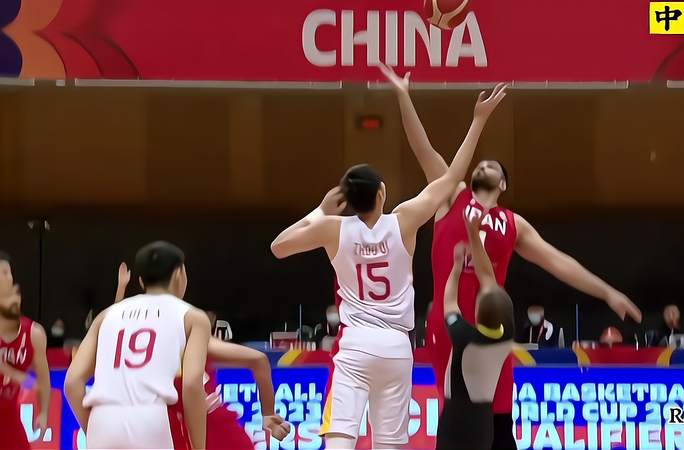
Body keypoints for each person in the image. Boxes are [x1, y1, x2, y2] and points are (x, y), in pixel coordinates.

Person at [379, 63, 642, 450]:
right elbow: (423, 148)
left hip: (493, 331)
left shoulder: (512, 223)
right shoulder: (451, 197)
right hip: (449, 322)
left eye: (493, 167)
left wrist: (607, 292)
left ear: (502, 184)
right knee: (458, 414)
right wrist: (404, 96)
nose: (483, 165)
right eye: (479, 165)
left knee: (500, 421)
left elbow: (558, 262)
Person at [271, 83, 506, 450]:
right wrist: (478, 121)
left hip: (355, 344)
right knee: (389, 444)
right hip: (396, 346)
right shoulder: (404, 221)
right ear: (381, 192)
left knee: (340, 439)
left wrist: (320, 211)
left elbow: (279, 246)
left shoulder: (333, 229)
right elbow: (450, 179)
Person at [112, 270, 290, 449]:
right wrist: (268, 415)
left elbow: (115, 325)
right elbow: (258, 360)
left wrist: (121, 290)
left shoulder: (144, 342)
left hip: (197, 430)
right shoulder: (187, 334)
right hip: (191, 429)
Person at [65, 242, 211, 450]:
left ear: (141, 281)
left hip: (103, 419)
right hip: (151, 419)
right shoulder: (192, 316)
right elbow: (192, 384)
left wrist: (94, 429)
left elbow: (72, 383)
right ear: (180, 273)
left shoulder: (106, 315)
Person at [437, 214, 514, 450]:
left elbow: (449, 302)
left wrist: (457, 267)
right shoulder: (506, 336)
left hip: (454, 421)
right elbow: (489, 279)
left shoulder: (464, 337)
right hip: (483, 424)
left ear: (478, 312)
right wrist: (474, 236)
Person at [0, 251, 51, 450]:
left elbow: (42, 380)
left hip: (9, 419)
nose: (10, 278)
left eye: (10, 273)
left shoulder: (33, 333)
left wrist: (44, 413)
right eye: (4, 272)